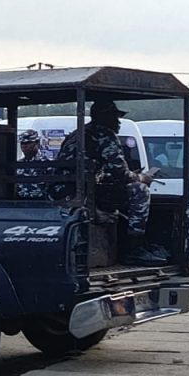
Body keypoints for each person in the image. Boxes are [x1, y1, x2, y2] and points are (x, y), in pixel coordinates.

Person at [56, 99, 165, 265]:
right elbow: (120, 173)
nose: (118, 122)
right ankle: (133, 248)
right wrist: (142, 178)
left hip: (63, 189)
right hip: (82, 193)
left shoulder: (76, 134)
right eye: (115, 117)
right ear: (104, 117)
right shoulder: (104, 135)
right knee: (140, 191)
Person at [16, 129, 48, 200]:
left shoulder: (46, 164)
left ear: (37, 143)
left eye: (28, 143)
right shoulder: (18, 165)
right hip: (20, 202)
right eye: (22, 143)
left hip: (41, 203)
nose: (24, 146)